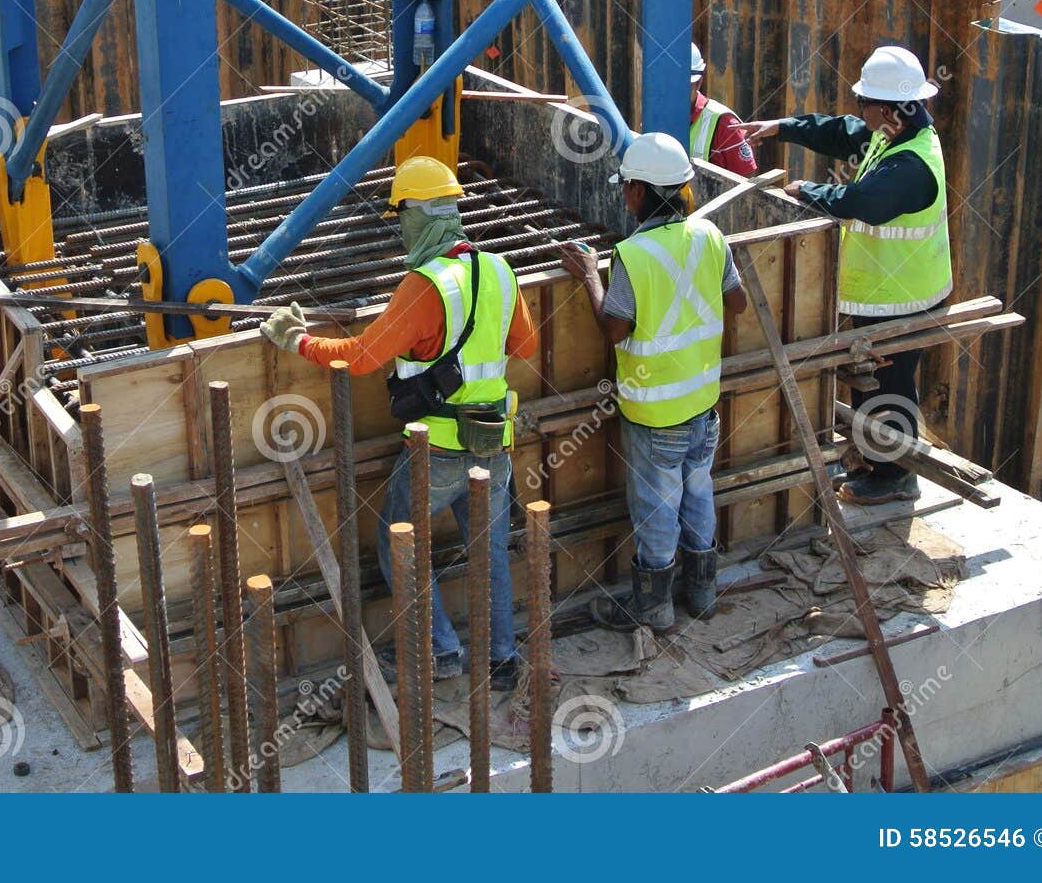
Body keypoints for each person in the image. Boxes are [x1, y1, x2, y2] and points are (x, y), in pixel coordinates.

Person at [261, 156, 538, 687]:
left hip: (437, 450)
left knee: (398, 540)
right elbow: (524, 346)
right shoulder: (500, 271)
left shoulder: (425, 285)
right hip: (492, 444)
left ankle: (440, 650)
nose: (402, 229)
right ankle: (501, 659)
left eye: (403, 216)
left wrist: (297, 339)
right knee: (490, 551)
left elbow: (360, 357)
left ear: (419, 215)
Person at [741, 45, 953, 505]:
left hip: (903, 298)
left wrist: (807, 191)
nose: (860, 109)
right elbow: (843, 132)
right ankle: (872, 460)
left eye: (864, 101)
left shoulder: (912, 165)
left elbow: (863, 202)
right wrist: (783, 127)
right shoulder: (894, 133)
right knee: (870, 378)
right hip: (886, 291)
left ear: (888, 108)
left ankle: (894, 477)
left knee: (889, 386)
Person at [558, 133, 747, 632]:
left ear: (639, 191)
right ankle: (703, 595)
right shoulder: (711, 236)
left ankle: (655, 609)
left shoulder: (632, 254)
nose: (624, 195)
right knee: (698, 494)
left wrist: (590, 276)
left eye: (626, 187)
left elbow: (614, 329)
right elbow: (739, 302)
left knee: (657, 508)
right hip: (703, 403)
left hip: (656, 413)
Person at [687, 42, 758, 177]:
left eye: (684, 86)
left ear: (699, 82)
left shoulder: (725, 124)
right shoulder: (653, 117)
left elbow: (746, 181)